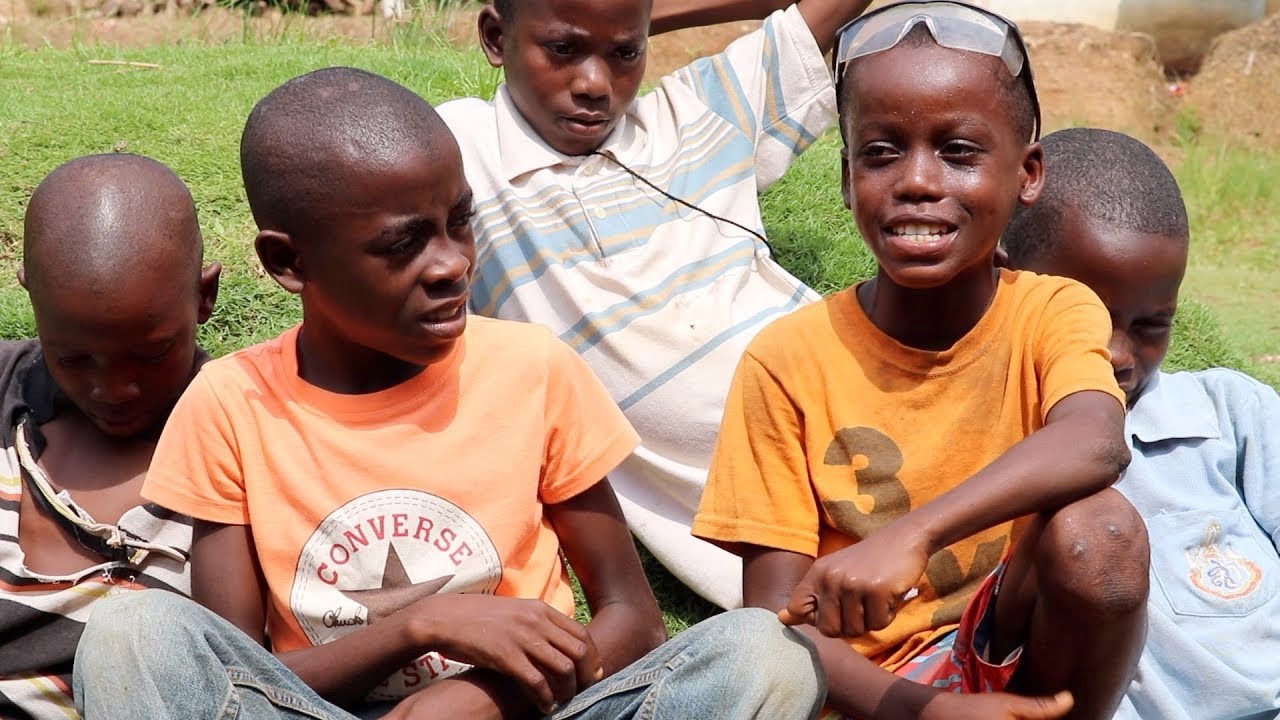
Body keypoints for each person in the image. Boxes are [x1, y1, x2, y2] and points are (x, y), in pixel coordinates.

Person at [71, 67, 826, 720]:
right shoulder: (230, 403)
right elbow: (230, 676)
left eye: (459, 222)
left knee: (764, 655)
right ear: (289, 262)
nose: (450, 265)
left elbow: (633, 620)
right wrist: (420, 626)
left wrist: (490, 696)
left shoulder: (534, 370)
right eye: (404, 244)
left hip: (526, 709)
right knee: (129, 636)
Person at [693, 3, 1152, 719]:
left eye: (959, 151)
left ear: (1028, 173)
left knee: (1103, 535)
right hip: (866, 693)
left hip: (1010, 653)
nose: (916, 181)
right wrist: (922, 710)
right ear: (847, 178)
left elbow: (1095, 440)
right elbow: (774, 622)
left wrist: (915, 534)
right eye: (881, 152)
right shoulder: (787, 360)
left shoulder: (1051, 312)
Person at [438, 0, 875, 609]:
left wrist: (635, 13)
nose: (594, 85)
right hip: (781, 513)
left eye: (625, 54)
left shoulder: (701, 112)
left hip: (867, 406)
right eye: (562, 49)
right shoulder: (461, 150)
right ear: (495, 37)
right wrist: (607, 21)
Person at [1002, 126, 1280, 720]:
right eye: (1088, 317)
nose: (1120, 355)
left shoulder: (1230, 420)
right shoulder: (995, 443)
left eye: (1153, 325)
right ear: (1007, 281)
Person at [0, 153, 220, 718]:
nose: (113, 389)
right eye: (72, 356)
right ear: (30, 295)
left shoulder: (237, 441)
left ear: (205, 296)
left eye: (151, 353)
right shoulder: (7, 395)